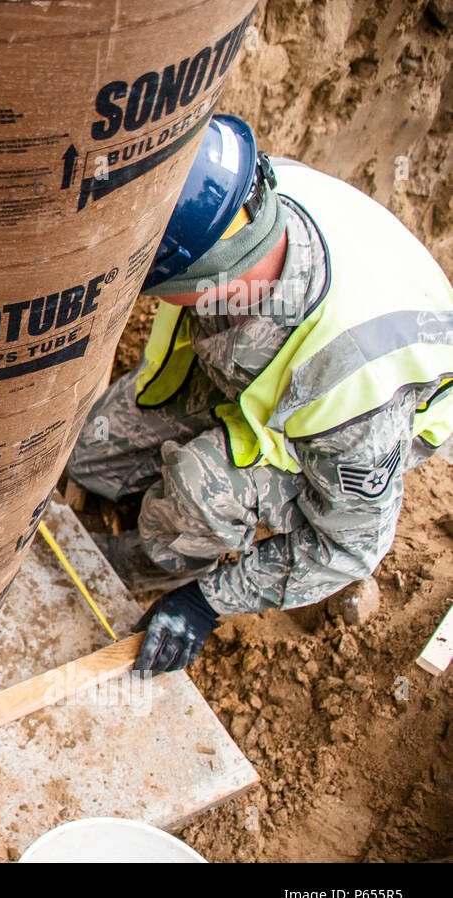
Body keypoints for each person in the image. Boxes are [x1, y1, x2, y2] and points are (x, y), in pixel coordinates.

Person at [66, 115, 453, 674]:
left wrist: (208, 602)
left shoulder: (353, 400)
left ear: (195, 285)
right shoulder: (237, 192)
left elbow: (349, 547)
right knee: (89, 454)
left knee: (202, 488)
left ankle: (151, 564)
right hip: (248, 353)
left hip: (352, 412)